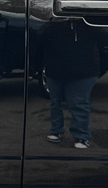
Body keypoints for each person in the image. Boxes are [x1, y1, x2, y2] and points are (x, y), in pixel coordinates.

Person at [41, 17, 102, 149]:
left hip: (84, 71)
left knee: (79, 104)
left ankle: (82, 136)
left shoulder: (89, 23)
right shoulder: (52, 25)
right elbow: (40, 38)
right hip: (55, 70)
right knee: (55, 102)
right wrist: (54, 21)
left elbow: (101, 36)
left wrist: (85, 19)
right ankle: (56, 131)